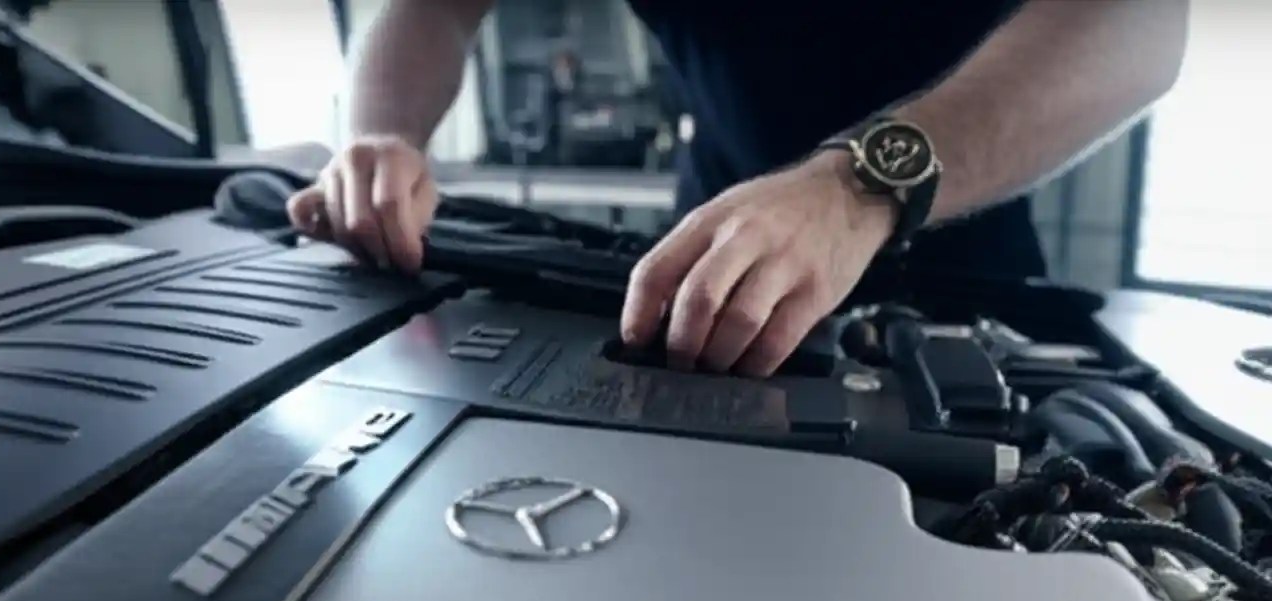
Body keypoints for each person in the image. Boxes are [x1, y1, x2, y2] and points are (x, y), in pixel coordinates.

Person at [287, 0, 1189, 377]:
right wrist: (380, 136)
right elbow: (436, 7)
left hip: (964, 282)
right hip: (706, 280)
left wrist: (858, 187)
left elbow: (1141, 23)